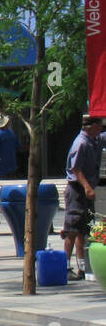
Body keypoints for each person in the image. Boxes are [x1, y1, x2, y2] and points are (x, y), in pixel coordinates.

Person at [61, 114, 103, 281]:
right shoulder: (81, 143)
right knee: (72, 229)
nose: (101, 130)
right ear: (90, 127)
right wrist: (87, 187)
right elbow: (76, 169)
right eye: (99, 126)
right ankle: (65, 268)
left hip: (86, 191)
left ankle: (82, 268)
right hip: (77, 190)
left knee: (83, 230)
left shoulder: (94, 140)